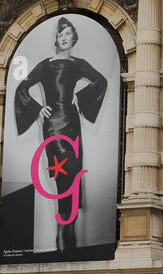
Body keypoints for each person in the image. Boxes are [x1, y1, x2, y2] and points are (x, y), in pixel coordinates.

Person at [13, 17, 109, 253]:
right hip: (52, 124)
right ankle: (64, 219)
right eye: (60, 34)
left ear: (73, 38)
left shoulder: (78, 64)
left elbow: (101, 81)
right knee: (61, 170)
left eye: (68, 34)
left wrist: (81, 97)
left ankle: (67, 222)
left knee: (74, 169)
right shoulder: (45, 65)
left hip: (72, 121)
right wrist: (37, 109)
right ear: (55, 39)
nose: (64, 38)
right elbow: (22, 87)